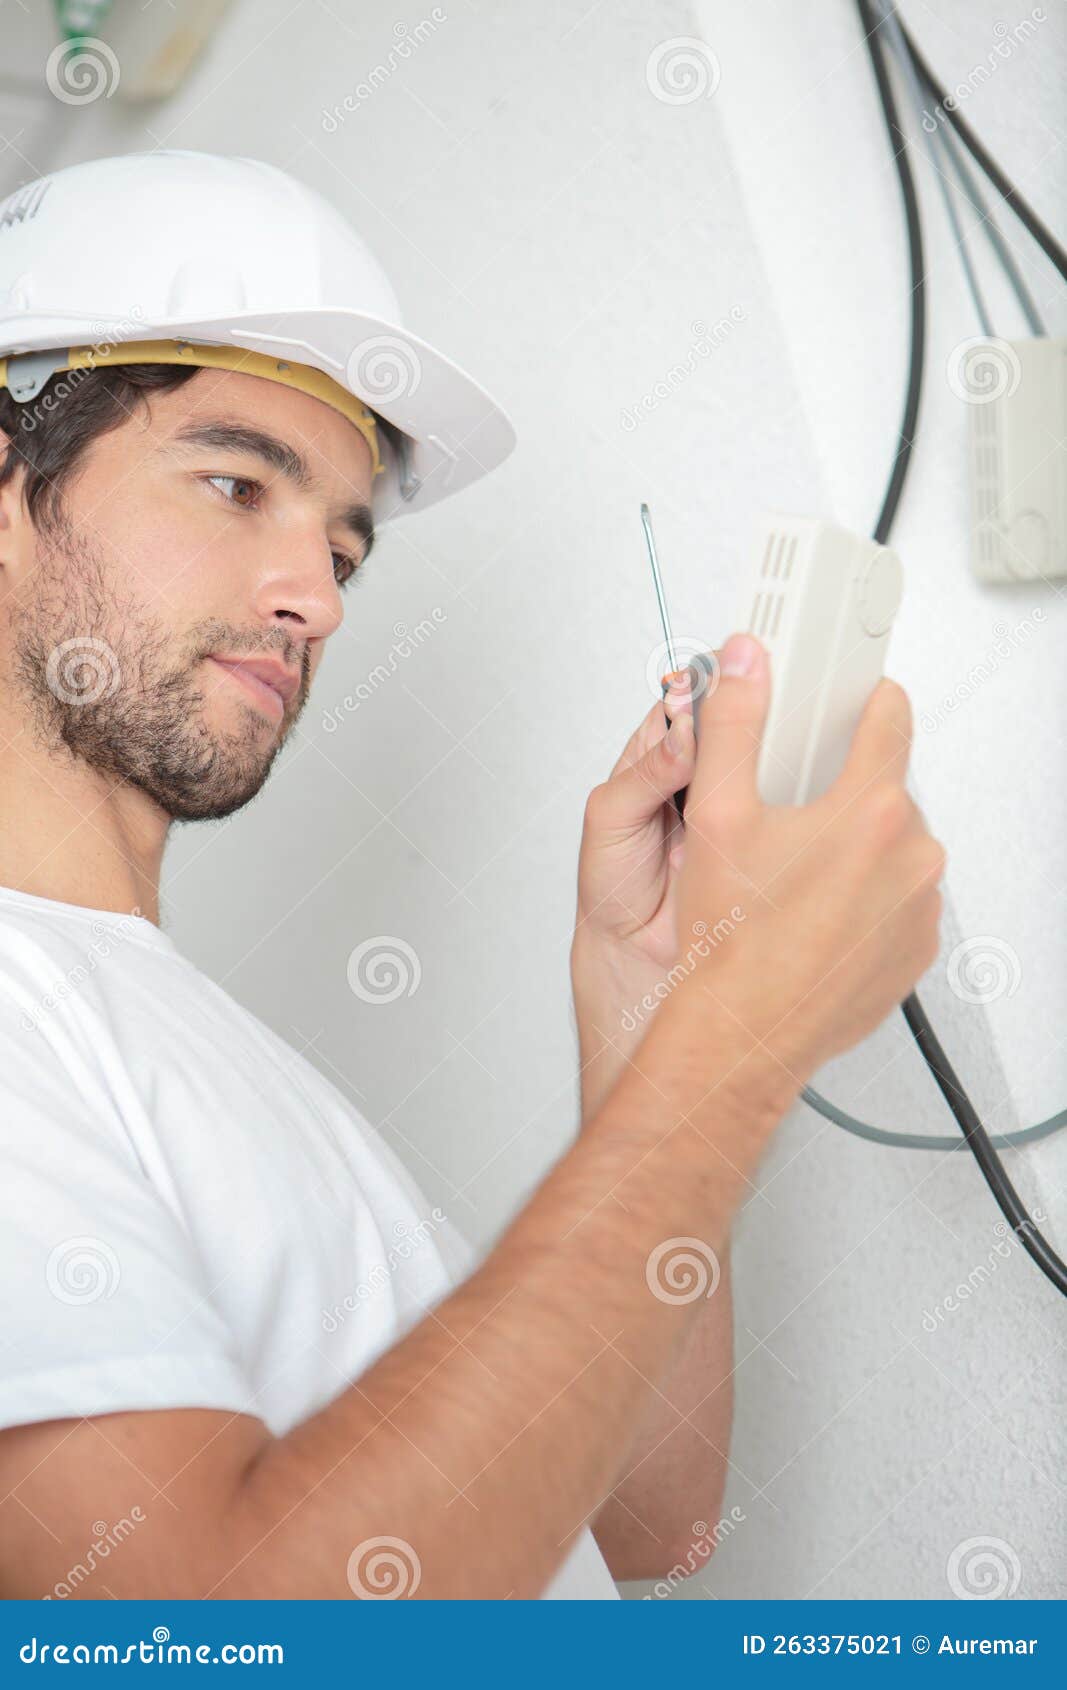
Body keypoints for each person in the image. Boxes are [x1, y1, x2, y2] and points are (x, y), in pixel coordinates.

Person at [0, 152, 944, 1600]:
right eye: (236, 481)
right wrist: (734, 1045)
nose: (313, 594)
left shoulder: (185, 1043)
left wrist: (651, 1007)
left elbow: (637, 1524)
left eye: (341, 545)